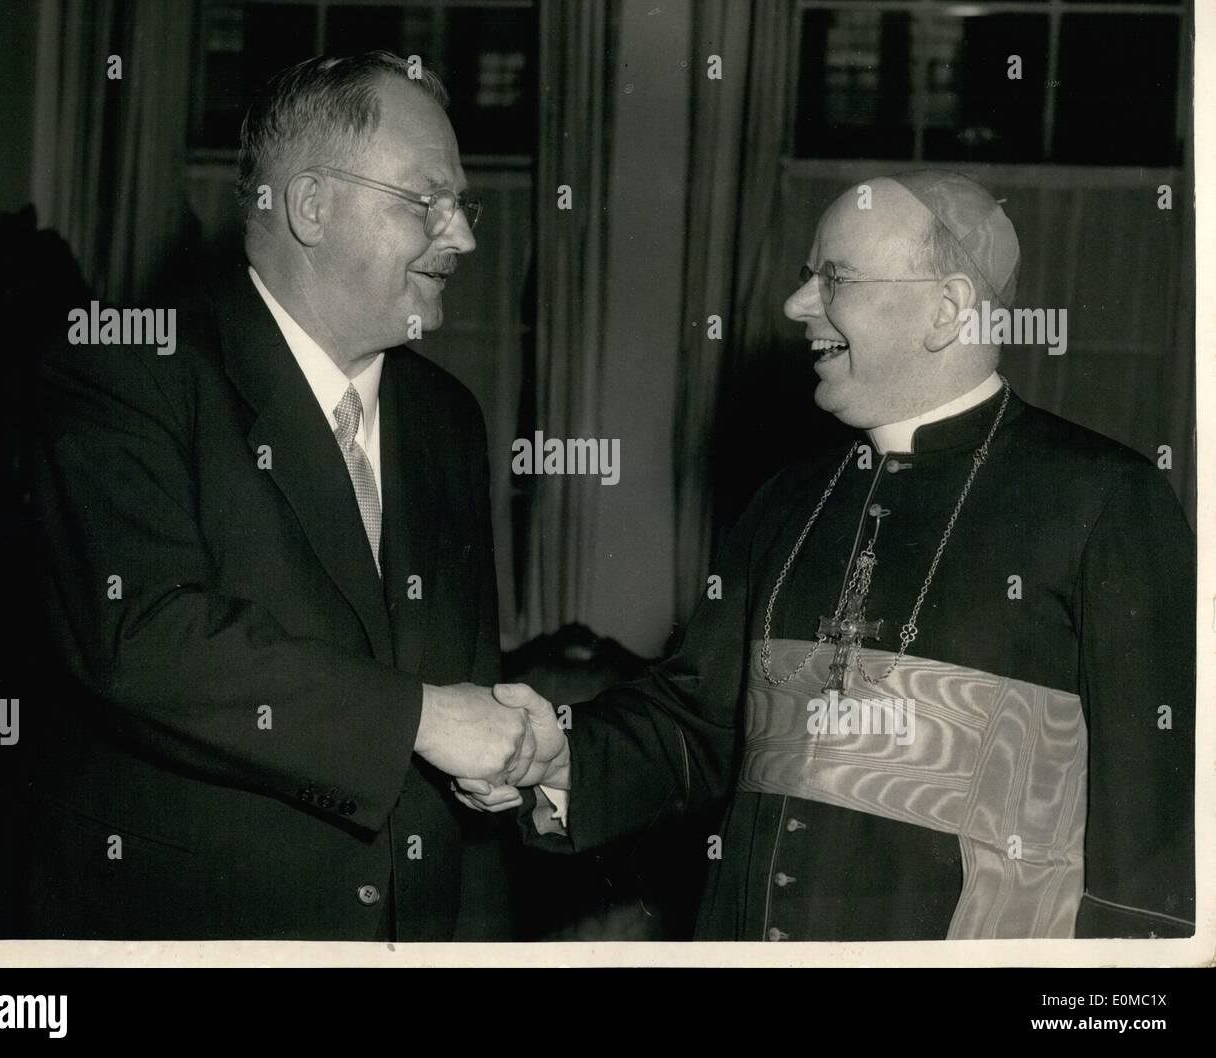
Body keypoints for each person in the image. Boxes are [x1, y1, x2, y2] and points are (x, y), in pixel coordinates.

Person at [459, 170, 1196, 941]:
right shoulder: (790, 494)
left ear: (945, 309)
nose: (796, 305)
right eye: (809, 277)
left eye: (833, 280)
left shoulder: (1104, 499)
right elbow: (700, 720)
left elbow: (1152, 833)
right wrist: (559, 753)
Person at [25, 52, 537, 940]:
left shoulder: (447, 416)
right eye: (428, 203)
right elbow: (145, 638)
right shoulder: (127, 367)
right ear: (309, 206)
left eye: (461, 205)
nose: (463, 238)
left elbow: (463, 698)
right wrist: (422, 719)